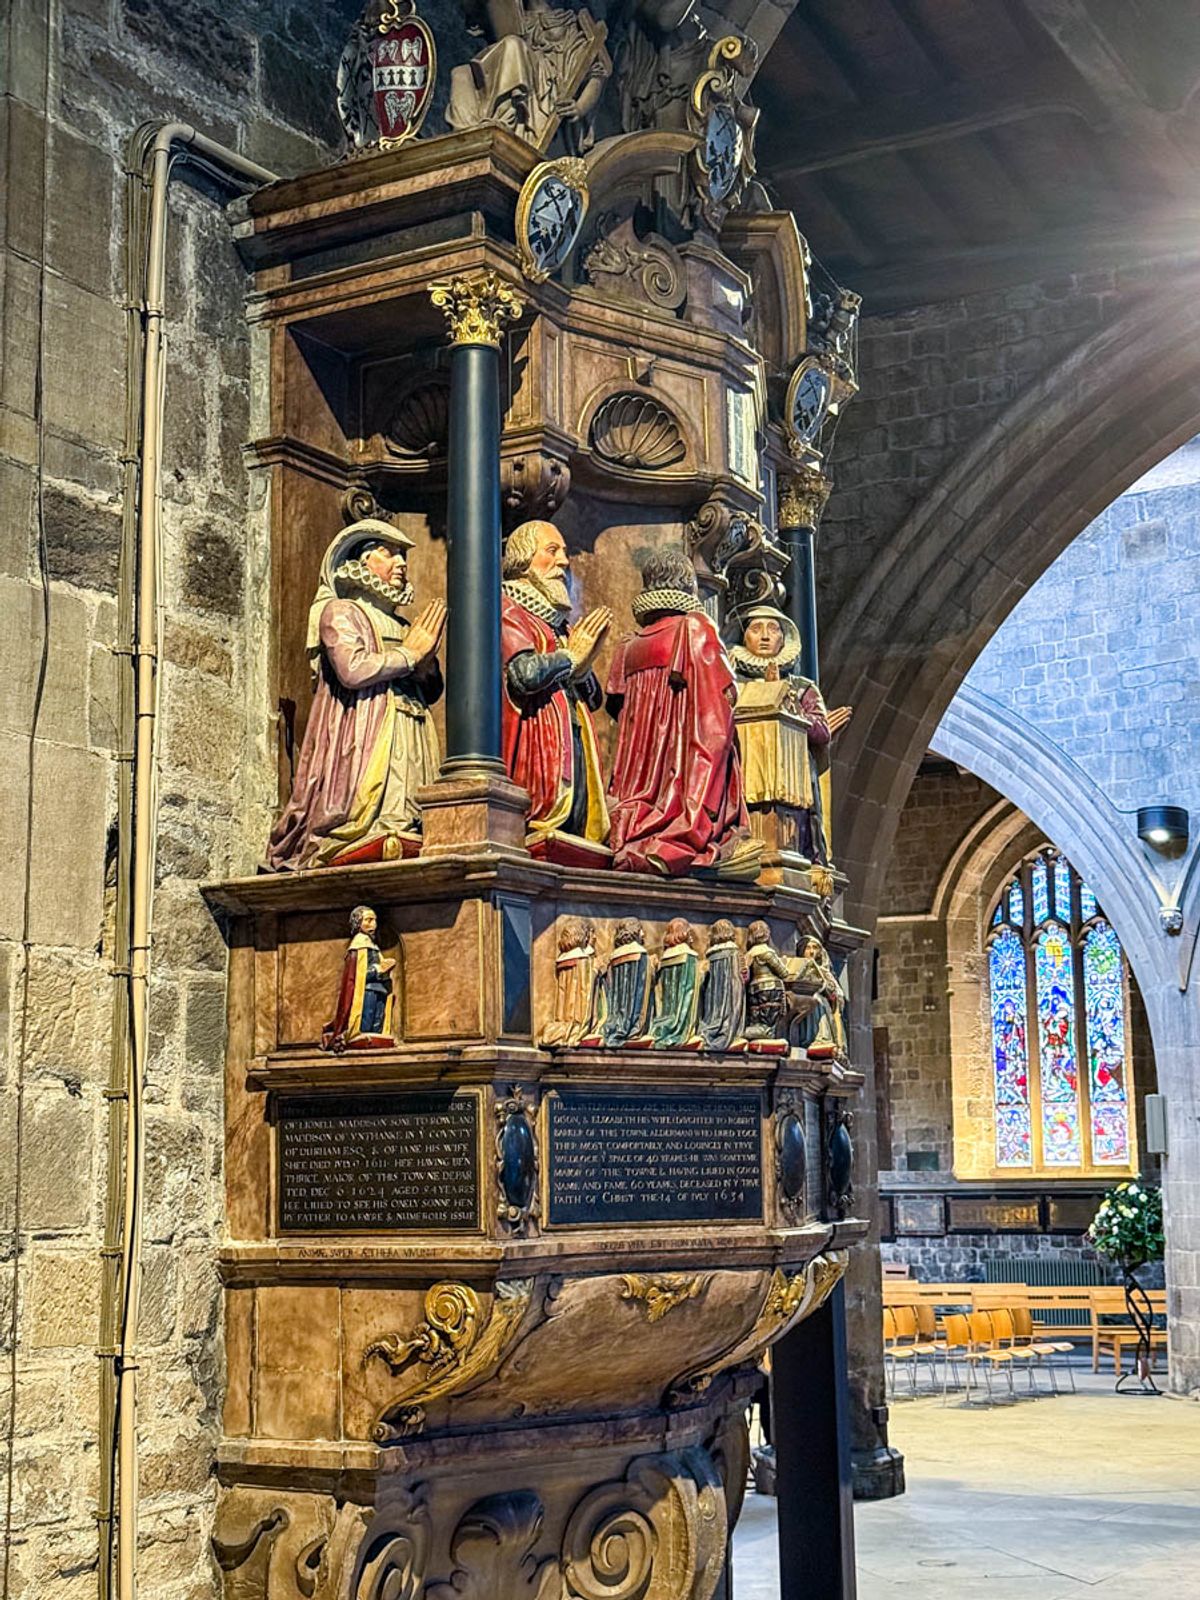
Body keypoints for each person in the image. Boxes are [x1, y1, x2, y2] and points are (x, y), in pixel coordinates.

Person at [267, 519, 445, 870]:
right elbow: (353, 670)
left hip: (409, 722)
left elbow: (433, 689)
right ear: (360, 562)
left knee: (409, 798)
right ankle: (368, 831)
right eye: (388, 553)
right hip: (365, 731)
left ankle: (403, 828)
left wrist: (425, 667)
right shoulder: (342, 612)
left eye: (403, 557)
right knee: (373, 802)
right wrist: (409, 655)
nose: (401, 564)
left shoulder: (406, 625)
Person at [606, 550, 758, 879]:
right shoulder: (695, 629)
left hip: (633, 804)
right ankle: (678, 843)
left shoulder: (629, 646)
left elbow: (624, 731)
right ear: (689, 585)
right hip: (681, 799)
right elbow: (713, 729)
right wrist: (695, 822)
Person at [501, 520, 611, 856]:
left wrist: (585, 661)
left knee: (575, 822)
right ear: (523, 560)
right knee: (546, 817)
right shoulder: (509, 610)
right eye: (552, 551)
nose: (564, 561)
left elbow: (593, 697)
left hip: (570, 738)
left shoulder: (558, 624)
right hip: (537, 744)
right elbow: (523, 674)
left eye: (564, 552)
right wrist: (570, 656)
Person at [731, 605, 847, 866]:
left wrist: (789, 707)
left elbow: (821, 731)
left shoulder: (802, 687)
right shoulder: (734, 685)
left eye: (772, 630)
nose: (764, 637)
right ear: (743, 637)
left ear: (783, 640)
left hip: (792, 779)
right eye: (755, 629)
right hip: (742, 775)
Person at [322, 905, 396, 1051]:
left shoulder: (373, 946)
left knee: (378, 1019)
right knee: (366, 1019)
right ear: (358, 923)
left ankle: (376, 1038)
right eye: (368, 920)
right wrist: (378, 970)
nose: (373, 924)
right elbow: (357, 975)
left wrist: (386, 969)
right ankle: (359, 1037)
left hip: (380, 990)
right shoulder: (358, 946)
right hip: (366, 992)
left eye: (374, 920)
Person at [698, 919, 747, 1051]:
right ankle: (727, 1029)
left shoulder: (710, 954)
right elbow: (737, 980)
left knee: (713, 1010)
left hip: (712, 997)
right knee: (728, 1010)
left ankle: (711, 1026)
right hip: (730, 995)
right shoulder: (734, 953)